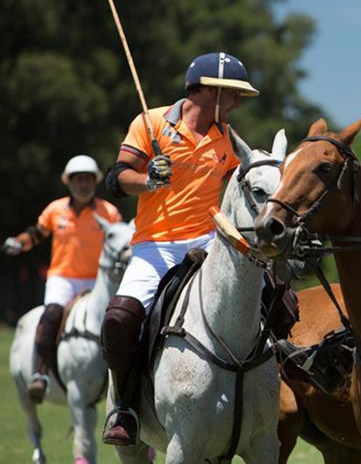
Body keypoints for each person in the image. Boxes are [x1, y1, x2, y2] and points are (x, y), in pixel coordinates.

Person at [100, 52, 259, 446]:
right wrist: (148, 179)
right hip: (154, 246)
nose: (239, 102)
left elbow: (253, 175)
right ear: (206, 89)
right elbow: (116, 179)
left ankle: (276, 389)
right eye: (233, 94)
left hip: (208, 243)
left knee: (273, 295)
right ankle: (124, 406)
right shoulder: (151, 122)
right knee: (121, 319)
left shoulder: (227, 138)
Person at [3, 155, 122, 403]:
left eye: (88, 179)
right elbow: (36, 234)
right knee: (51, 314)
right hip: (63, 278)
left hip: (96, 282)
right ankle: (39, 373)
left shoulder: (108, 212)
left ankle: (125, 380)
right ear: (69, 182)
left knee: (119, 322)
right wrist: (19, 242)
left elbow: (122, 238)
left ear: (95, 182)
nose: (83, 184)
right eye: (78, 179)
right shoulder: (56, 209)